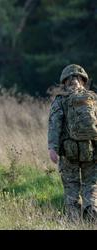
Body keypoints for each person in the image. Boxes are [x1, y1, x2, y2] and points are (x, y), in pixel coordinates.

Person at [48, 64, 97, 220]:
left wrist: (52, 148)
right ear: (83, 80)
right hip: (91, 148)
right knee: (91, 184)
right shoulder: (93, 98)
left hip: (69, 151)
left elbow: (55, 125)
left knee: (71, 186)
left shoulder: (60, 100)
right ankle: (92, 209)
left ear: (64, 82)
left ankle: (74, 218)